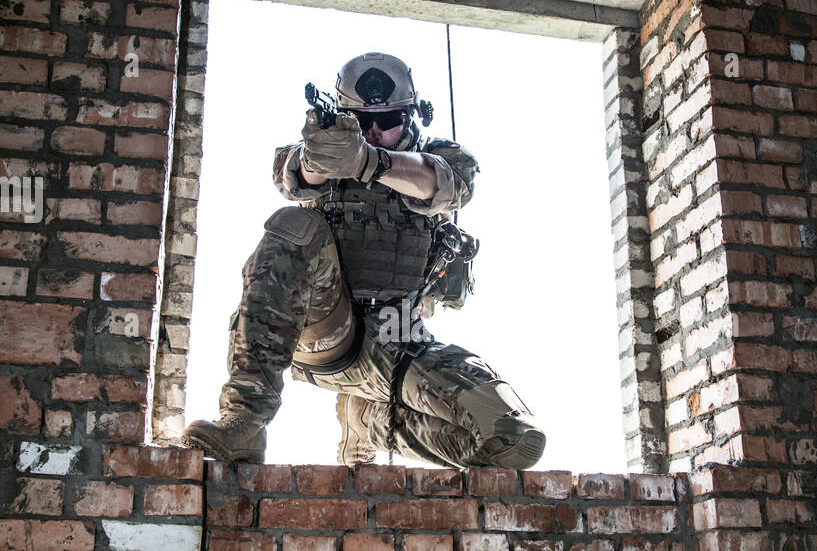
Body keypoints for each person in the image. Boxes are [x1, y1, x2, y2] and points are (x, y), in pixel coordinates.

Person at [181, 51, 545, 469]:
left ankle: (368, 420)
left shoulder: (444, 157)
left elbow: (442, 183)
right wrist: (321, 158)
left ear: (411, 117)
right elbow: (296, 176)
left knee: (514, 438)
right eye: (362, 122)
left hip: (398, 335)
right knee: (294, 227)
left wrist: (369, 162)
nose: (374, 131)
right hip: (323, 327)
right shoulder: (323, 150)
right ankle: (244, 421)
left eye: (388, 121)